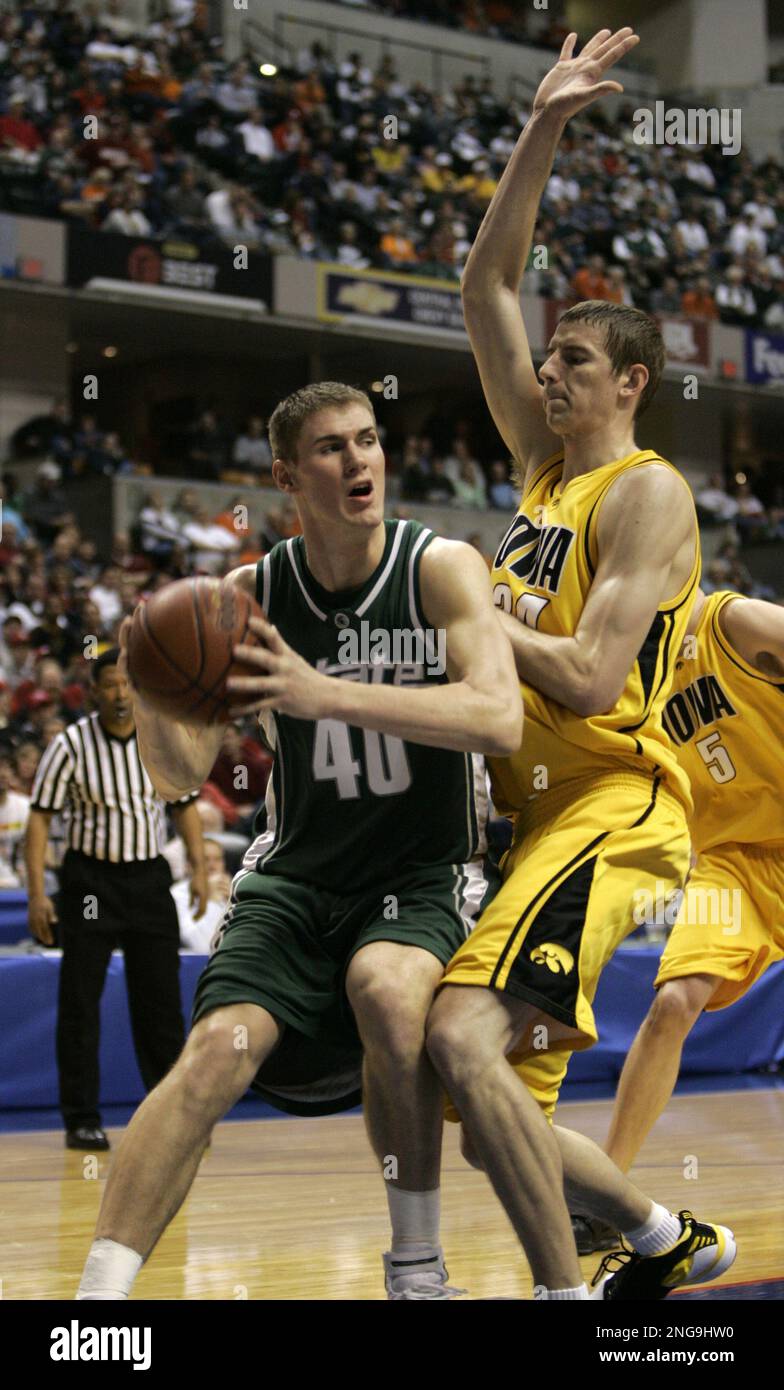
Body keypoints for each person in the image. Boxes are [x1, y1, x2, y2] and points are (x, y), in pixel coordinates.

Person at [75, 381, 521, 1302]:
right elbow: (173, 774)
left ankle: (415, 1265)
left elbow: (498, 717)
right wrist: (159, 686)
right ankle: (96, 1303)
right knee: (215, 1055)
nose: (359, 461)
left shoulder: (440, 567)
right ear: (287, 476)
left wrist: (321, 692)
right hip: (297, 876)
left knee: (390, 995)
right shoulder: (248, 597)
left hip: (417, 872)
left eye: (367, 440)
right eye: (331, 448)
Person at [425, 27, 734, 1300]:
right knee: (480, 1103)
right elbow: (483, 290)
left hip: (615, 803)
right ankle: (668, 1243)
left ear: (631, 382)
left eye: (570, 364)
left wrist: (448, 601)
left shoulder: (646, 493)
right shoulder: (549, 471)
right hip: (529, 817)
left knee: (458, 1043)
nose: (543, 374)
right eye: (545, 362)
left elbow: (597, 680)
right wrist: (542, 122)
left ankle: (575, 1290)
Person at [601, 589, 784, 1177]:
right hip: (734, 862)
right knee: (675, 1001)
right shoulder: (632, 672)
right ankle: (609, 1187)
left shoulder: (733, 622)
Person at [26, 649, 208, 1152]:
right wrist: (39, 892)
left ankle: (173, 1118)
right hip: (90, 884)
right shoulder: (70, 744)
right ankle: (81, 1119)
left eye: (127, 685)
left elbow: (186, 805)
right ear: (93, 692)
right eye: (110, 686)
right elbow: (40, 817)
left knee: (162, 1005)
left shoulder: (160, 736)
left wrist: (197, 868)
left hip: (148, 881)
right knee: (80, 1003)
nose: (121, 694)